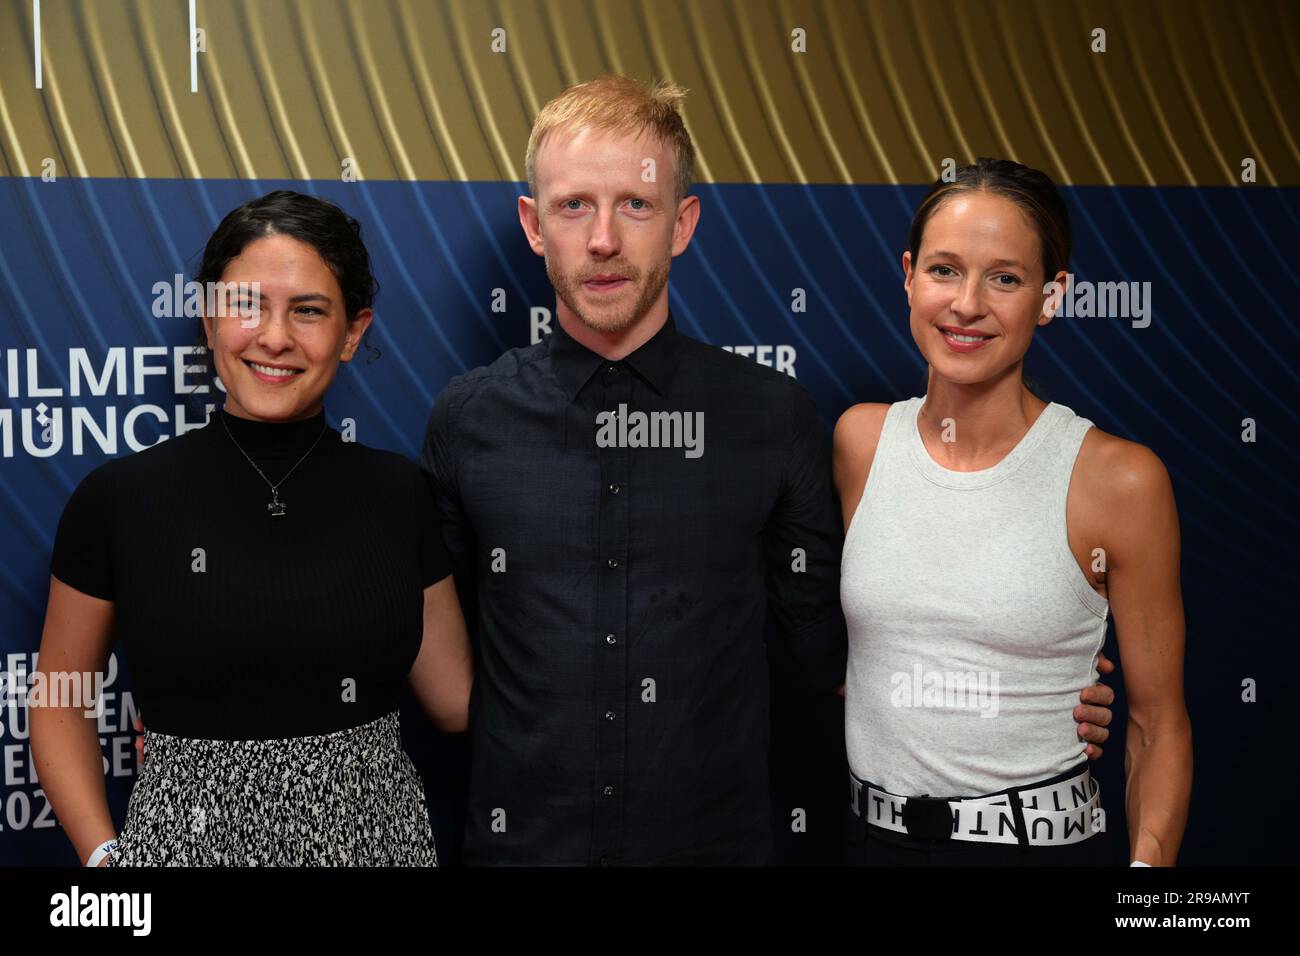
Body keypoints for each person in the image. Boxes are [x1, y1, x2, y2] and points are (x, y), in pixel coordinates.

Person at [422, 77, 1115, 865]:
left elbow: (835, 647)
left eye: (637, 205)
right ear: (533, 224)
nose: (604, 239)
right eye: (574, 205)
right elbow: (419, 652)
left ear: (683, 224)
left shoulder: (773, 417)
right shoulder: (466, 420)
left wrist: (1032, 690)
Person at [30, 190, 472, 867]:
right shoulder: (119, 500)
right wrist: (103, 861)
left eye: (309, 311)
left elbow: (454, 702)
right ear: (208, 319)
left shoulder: (399, 495)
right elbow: (60, 698)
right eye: (246, 306)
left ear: (353, 333)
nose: (274, 337)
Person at [834, 158, 1192, 865]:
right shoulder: (860, 443)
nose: (967, 304)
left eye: (1005, 278)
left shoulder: (1119, 480)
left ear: (1051, 295)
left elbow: (1158, 725)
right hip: (867, 842)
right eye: (943, 270)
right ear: (907, 275)